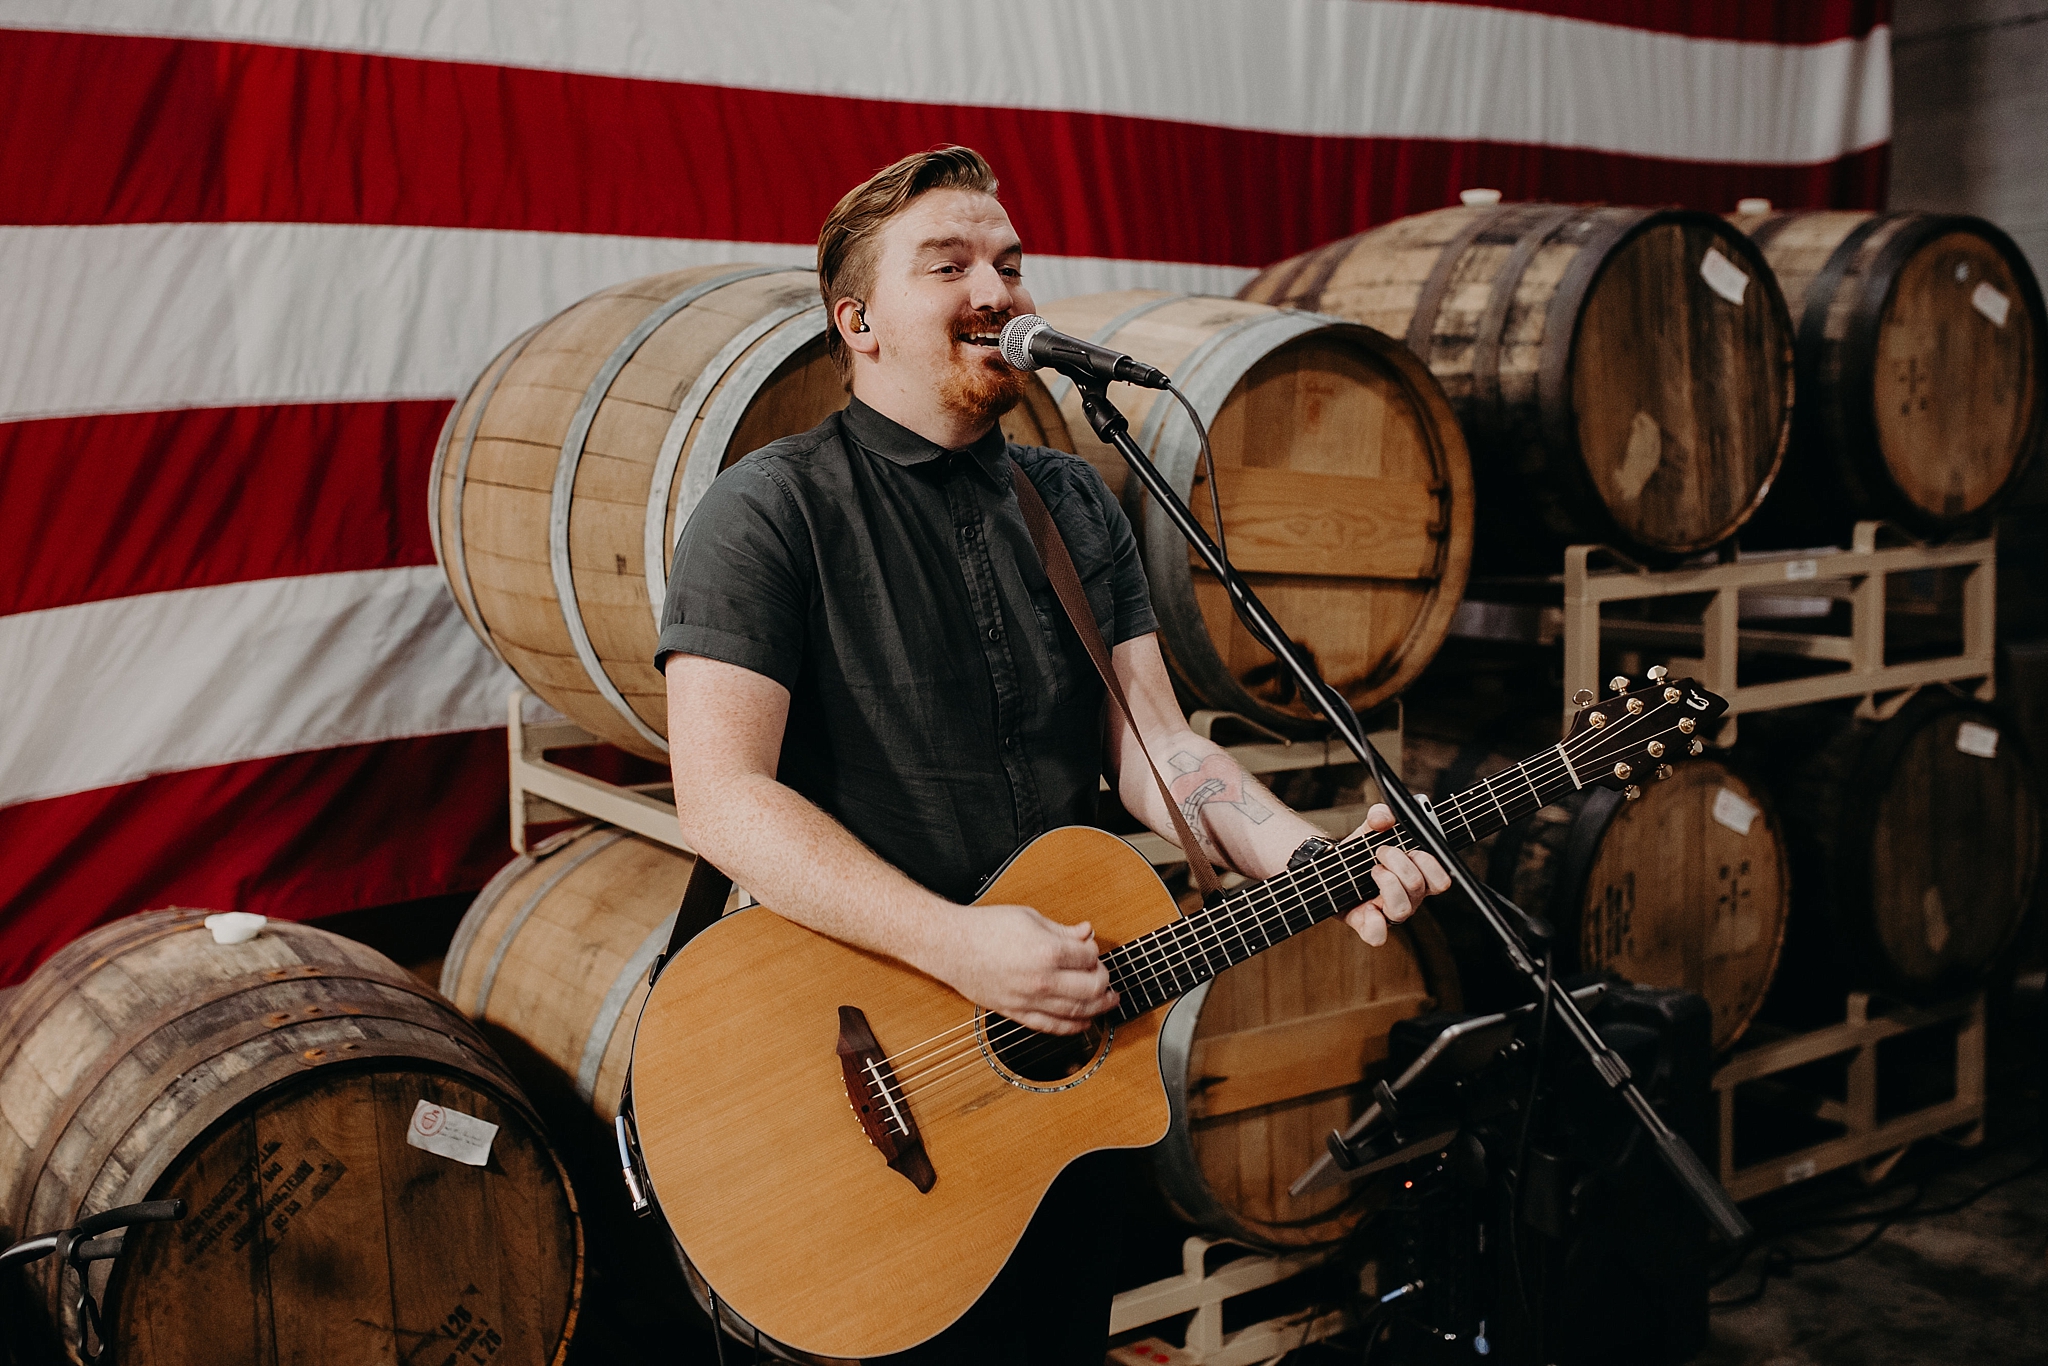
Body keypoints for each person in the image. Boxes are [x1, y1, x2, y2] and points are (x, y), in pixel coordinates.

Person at [656, 145, 1450, 1364]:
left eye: (1010, 262)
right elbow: (720, 796)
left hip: (1055, 1064)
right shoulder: (770, 510)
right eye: (951, 263)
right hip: (862, 1050)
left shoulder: (1072, 502)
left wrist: (1308, 852)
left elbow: (1158, 751)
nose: (999, 287)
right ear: (856, 319)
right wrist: (959, 943)